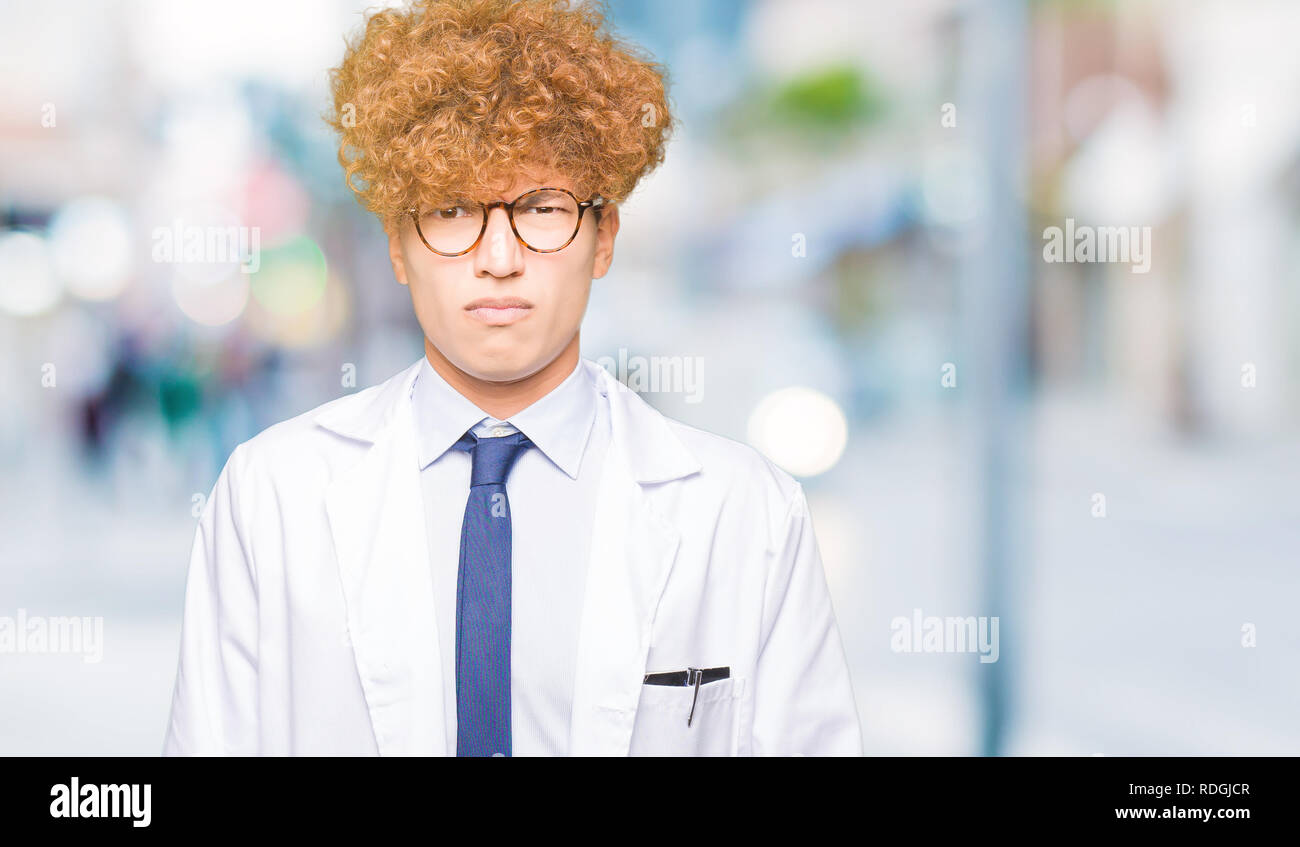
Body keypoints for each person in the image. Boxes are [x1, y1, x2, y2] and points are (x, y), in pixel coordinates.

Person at [162, 0, 861, 756]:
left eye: (543, 207)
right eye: (454, 210)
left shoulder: (746, 511)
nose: (500, 255)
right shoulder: (271, 496)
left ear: (604, 239)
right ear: (398, 245)